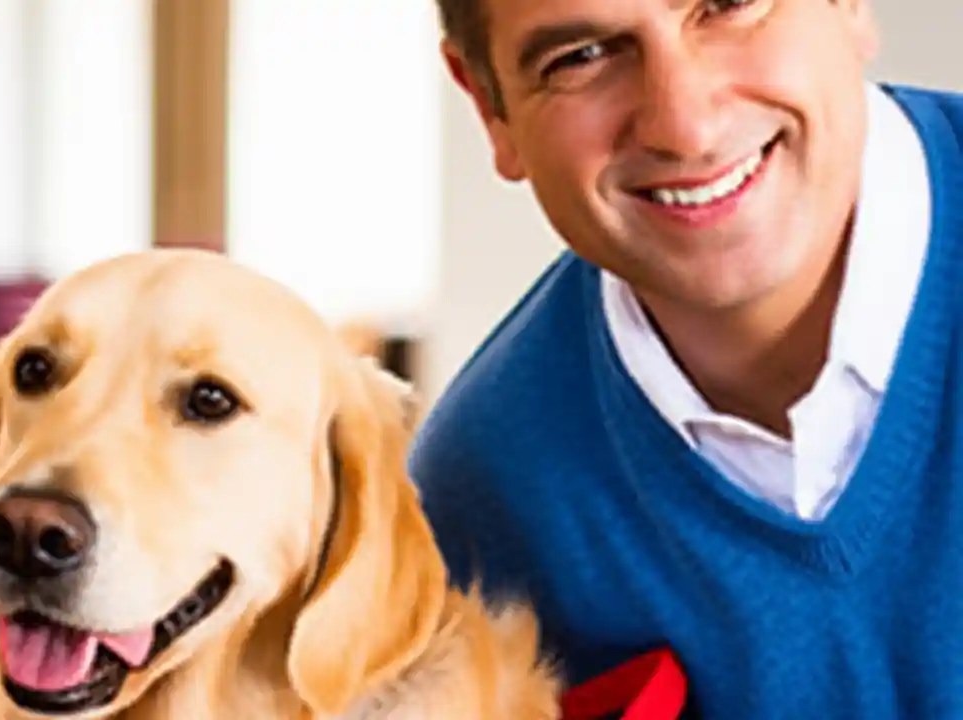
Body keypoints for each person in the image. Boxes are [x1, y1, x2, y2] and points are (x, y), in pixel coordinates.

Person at [408, 0, 963, 716]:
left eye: (728, 5)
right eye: (581, 57)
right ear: (491, 109)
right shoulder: (482, 507)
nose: (685, 126)